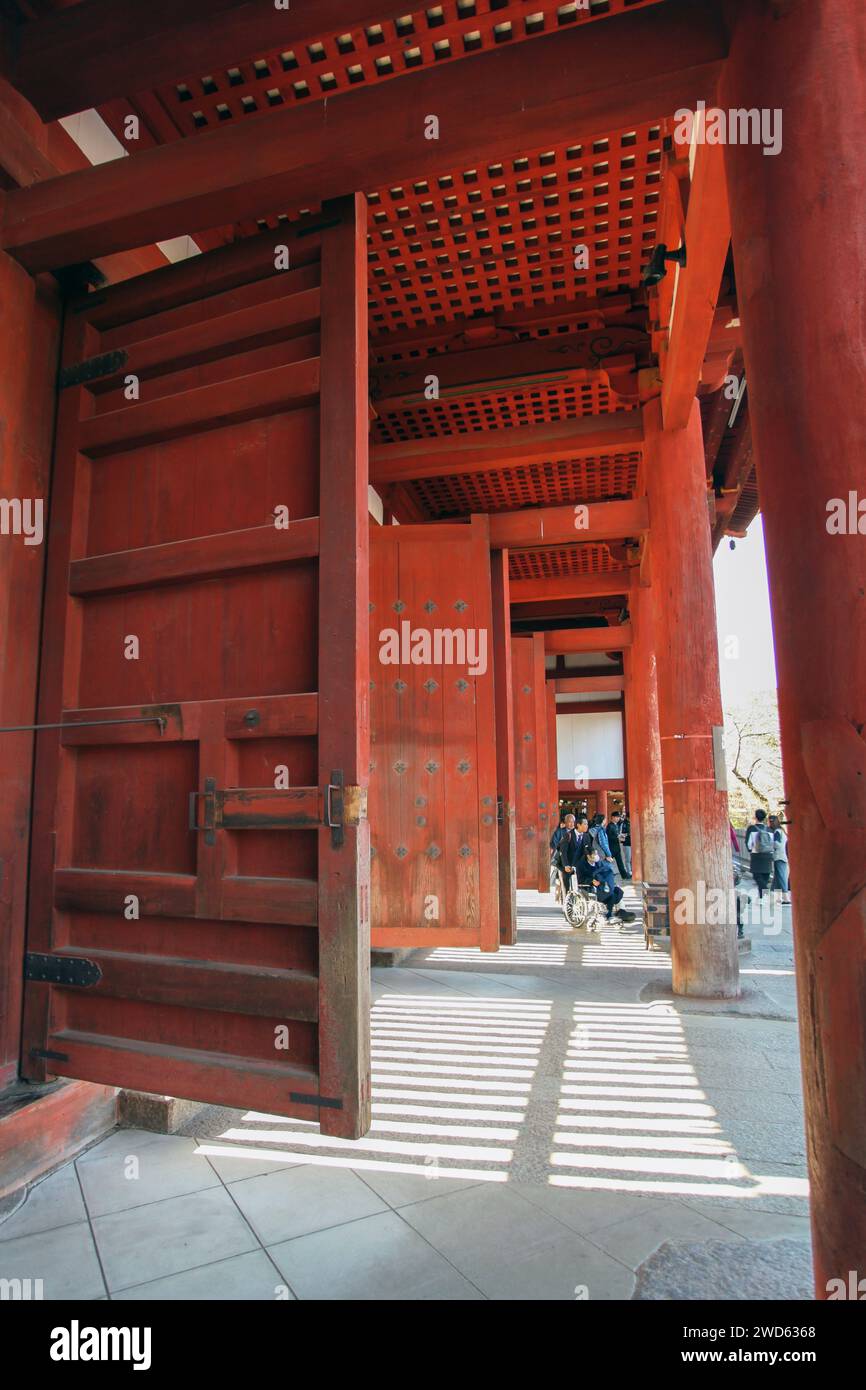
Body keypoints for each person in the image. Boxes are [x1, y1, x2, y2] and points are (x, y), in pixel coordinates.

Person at [583, 846, 626, 921]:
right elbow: (581, 879)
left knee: (618, 890)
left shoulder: (598, 863)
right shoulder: (582, 865)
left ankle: (621, 910)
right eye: (594, 854)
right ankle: (609, 914)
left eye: (596, 854)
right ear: (588, 856)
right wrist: (591, 881)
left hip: (602, 886)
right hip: (592, 888)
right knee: (612, 894)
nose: (596, 856)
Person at [745, 808, 774, 899]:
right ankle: (762, 897)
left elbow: (749, 844)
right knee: (765, 876)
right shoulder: (769, 829)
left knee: (757, 876)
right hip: (768, 855)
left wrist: (751, 850)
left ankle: (765, 893)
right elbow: (772, 842)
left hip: (756, 855)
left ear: (755, 817)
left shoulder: (751, 828)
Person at [768, 814, 791, 905]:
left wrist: (770, 844)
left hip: (779, 856)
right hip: (784, 855)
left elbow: (777, 844)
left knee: (781, 877)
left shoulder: (777, 831)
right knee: (778, 877)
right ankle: (777, 897)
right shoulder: (782, 831)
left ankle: (786, 897)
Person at [606, 810, 628, 879]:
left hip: (617, 847)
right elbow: (609, 837)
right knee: (608, 863)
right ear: (612, 817)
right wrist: (617, 838)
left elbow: (617, 834)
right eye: (616, 817)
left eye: (618, 817)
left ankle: (624, 875)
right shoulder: (609, 826)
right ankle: (606, 875)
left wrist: (621, 836)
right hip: (611, 847)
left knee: (620, 863)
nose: (618, 818)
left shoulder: (616, 825)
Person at [620, 809, 632, 876]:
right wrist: (627, 834)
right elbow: (621, 834)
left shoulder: (633, 822)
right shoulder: (623, 824)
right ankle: (629, 872)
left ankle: (633, 870)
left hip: (633, 843)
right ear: (627, 817)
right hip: (627, 843)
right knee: (628, 858)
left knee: (633, 859)